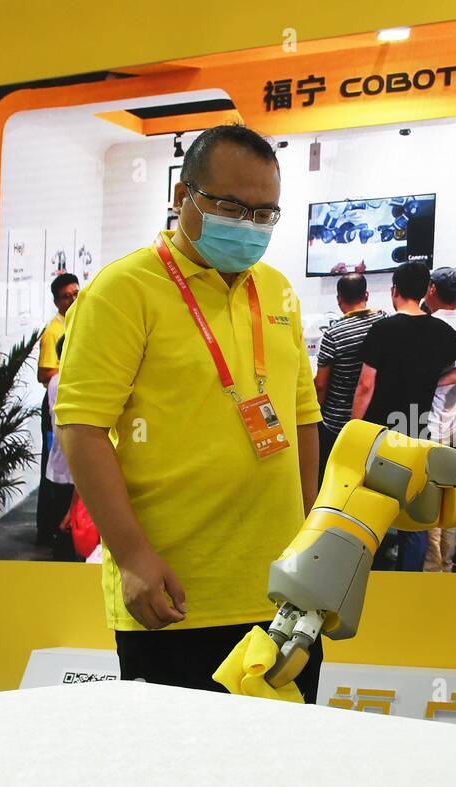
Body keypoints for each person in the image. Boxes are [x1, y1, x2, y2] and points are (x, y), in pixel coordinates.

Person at [56, 124, 324, 699]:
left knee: (287, 773)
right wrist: (132, 557)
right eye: (231, 206)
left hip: (285, 602)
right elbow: (82, 428)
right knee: (179, 780)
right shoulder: (123, 290)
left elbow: (302, 418)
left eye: (265, 214)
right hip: (174, 598)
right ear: (182, 198)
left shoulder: (276, 291)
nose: (248, 225)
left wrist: (311, 542)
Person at [352, 260, 456, 571]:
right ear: (426, 289)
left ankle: (373, 575)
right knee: (415, 513)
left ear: (394, 290)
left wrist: (353, 428)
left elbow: (365, 385)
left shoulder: (382, 328)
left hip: (380, 434)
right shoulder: (440, 329)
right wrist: (438, 381)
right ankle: (408, 580)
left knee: (377, 508)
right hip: (417, 430)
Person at [313, 272, 385, 483]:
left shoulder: (334, 333)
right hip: (374, 419)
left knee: (334, 478)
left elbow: (320, 384)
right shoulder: (383, 322)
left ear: (339, 299)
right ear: (367, 295)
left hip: (338, 423)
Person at [424, 267, 456, 572]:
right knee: (449, 501)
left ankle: (432, 567)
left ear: (431, 289)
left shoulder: (434, 325)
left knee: (430, 501)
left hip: (435, 422)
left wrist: (436, 382)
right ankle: (447, 566)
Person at [36, 273, 79, 547]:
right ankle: (48, 530)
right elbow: (44, 372)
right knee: (54, 470)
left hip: (71, 397)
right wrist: (72, 372)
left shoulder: (80, 322)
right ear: (56, 301)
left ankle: (69, 528)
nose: (73, 298)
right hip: (56, 400)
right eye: (66, 296)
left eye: (76, 293)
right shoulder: (54, 330)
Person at [44, 334, 78, 561]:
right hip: (70, 468)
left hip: (57, 467)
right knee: (70, 527)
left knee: (63, 527)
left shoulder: (56, 381)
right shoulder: (69, 382)